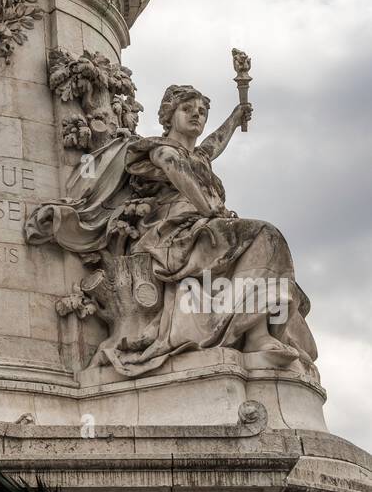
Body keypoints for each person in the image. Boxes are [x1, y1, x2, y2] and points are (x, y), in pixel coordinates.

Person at [26, 83, 317, 377]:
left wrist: (235, 116)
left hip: (204, 228)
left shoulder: (199, 157)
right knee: (264, 235)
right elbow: (174, 168)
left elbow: (213, 143)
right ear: (169, 115)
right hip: (171, 234)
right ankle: (255, 334)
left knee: (268, 240)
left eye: (202, 112)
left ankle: (258, 332)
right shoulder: (160, 150)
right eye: (187, 109)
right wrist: (210, 210)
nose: (197, 116)